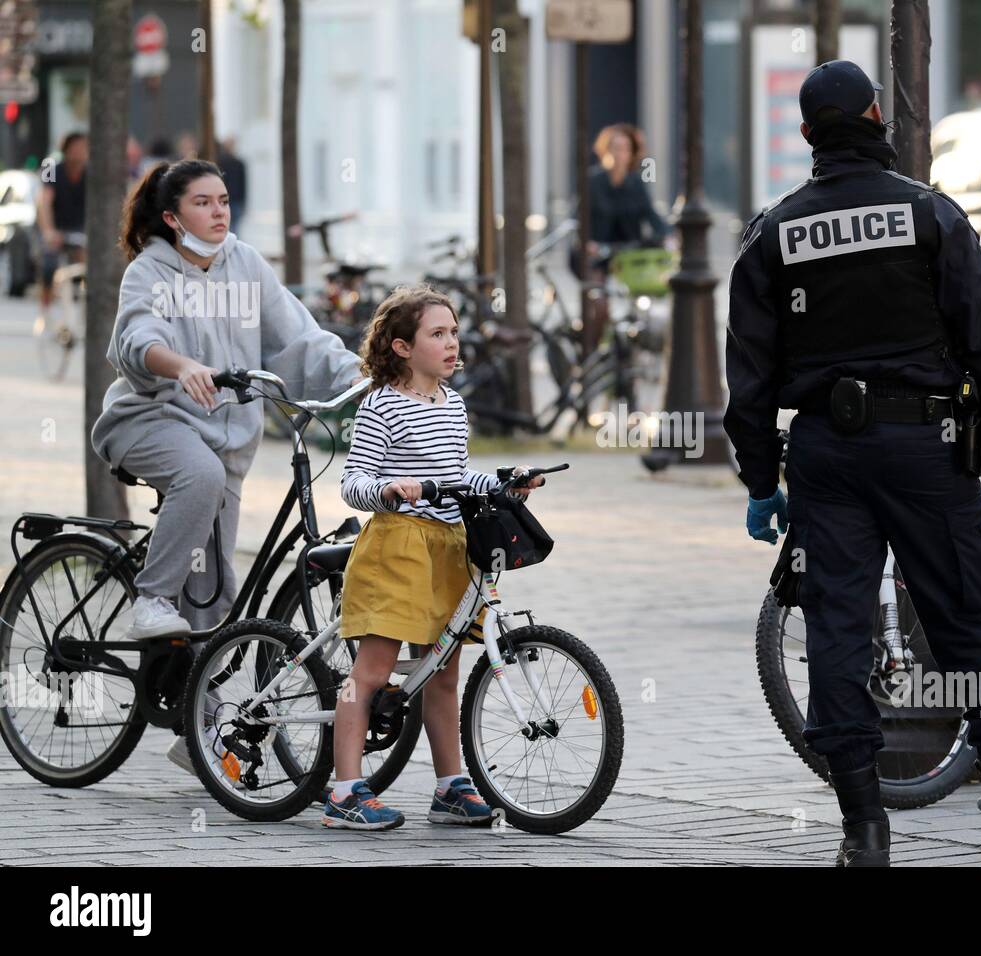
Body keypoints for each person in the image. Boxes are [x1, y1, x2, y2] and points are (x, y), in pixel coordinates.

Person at [724, 60, 981, 866]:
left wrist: (759, 481)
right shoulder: (930, 215)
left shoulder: (775, 231)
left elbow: (746, 375)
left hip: (825, 457)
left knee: (840, 633)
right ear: (879, 117)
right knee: (968, 623)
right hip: (928, 449)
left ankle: (863, 831)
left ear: (810, 134)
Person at [91, 159, 365, 771]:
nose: (219, 211)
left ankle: (194, 729)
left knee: (214, 596)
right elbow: (136, 339)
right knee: (200, 480)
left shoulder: (244, 262)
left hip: (226, 437)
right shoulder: (151, 270)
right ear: (171, 216)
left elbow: (298, 336)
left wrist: (360, 374)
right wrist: (181, 364)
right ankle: (150, 596)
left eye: (224, 200)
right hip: (149, 420)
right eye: (203, 203)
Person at [322, 285, 545, 829]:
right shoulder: (381, 404)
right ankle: (345, 789)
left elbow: (454, 475)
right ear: (401, 347)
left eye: (453, 333)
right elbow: (354, 483)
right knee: (371, 670)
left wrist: (503, 483)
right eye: (437, 334)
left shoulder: (453, 403)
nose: (452, 344)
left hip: (450, 548)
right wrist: (391, 489)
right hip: (398, 547)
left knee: (443, 672)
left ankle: (450, 786)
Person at [573, 123, 673, 357]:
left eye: (625, 149)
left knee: (640, 307)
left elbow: (651, 215)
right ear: (605, 151)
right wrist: (588, 244)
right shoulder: (593, 182)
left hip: (627, 256)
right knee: (600, 305)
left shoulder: (635, 183)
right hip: (597, 257)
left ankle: (628, 357)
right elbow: (579, 219)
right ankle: (590, 355)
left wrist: (669, 235)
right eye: (615, 148)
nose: (620, 154)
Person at [36, 132, 88, 318]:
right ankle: (45, 308)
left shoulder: (91, 173)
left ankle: (86, 309)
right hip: (55, 228)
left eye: (83, 148)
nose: (79, 153)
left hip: (80, 230)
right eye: (75, 148)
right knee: (49, 265)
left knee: (89, 265)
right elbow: (44, 201)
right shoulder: (50, 167)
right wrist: (49, 231)